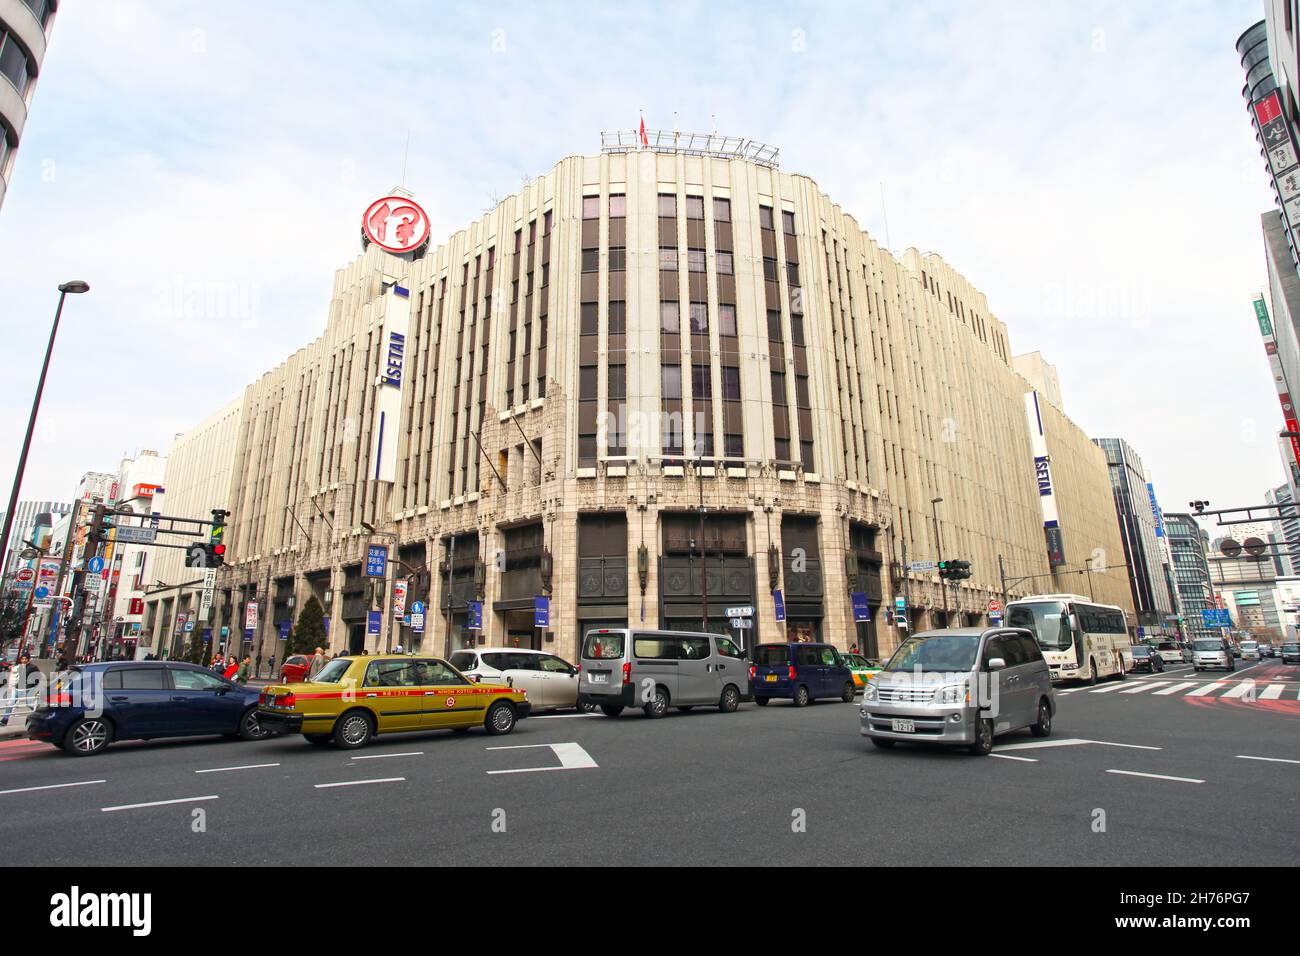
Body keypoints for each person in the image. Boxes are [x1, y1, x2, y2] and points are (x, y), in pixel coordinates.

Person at [0, 654, 42, 726]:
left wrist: (30, 686)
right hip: (18, 688)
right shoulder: (20, 666)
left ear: (29, 659)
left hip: (28, 688)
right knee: (10, 703)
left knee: (30, 704)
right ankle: (4, 720)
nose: (23, 660)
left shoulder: (33, 667)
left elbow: (38, 678)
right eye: (22, 659)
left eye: (25, 659)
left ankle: (41, 714)